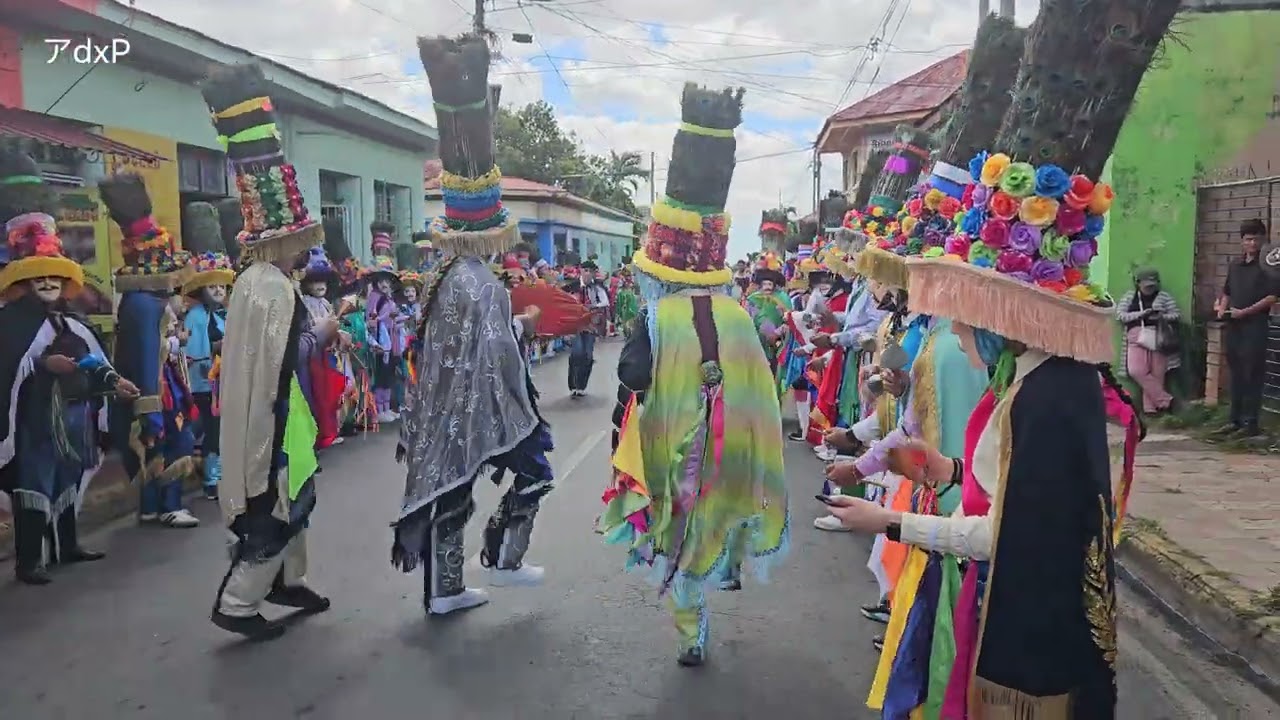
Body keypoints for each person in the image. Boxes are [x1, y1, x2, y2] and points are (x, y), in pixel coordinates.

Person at [827, 146, 1139, 717]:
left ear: (1003, 320)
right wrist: (944, 470)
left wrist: (890, 520)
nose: (957, 333)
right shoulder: (1043, 380)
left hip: (1016, 605)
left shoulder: (1041, 398)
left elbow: (1004, 532)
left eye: (966, 318)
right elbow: (1019, 490)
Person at [599, 83, 788, 667]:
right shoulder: (738, 313)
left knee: (677, 534)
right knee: (716, 514)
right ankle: (715, 574)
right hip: (730, 450)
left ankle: (691, 629)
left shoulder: (655, 317)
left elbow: (632, 380)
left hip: (674, 449)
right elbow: (763, 384)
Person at [394, 33, 554, 617]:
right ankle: (505, 560)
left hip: (447, 407)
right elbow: (495, 349)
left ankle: (445, 590)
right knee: (536, 469)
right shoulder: (479, 282)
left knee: (451, 493)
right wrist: (527, 324)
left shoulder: (447, 273)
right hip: (480, 407)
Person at [202, 63, 333, 640]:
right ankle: (238, 601)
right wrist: (324, 336)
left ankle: (284, 580)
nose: (304, 248)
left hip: (285, 415)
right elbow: (287, 354)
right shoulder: (270, 286)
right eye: (299, 239)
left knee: (296, 499)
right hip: (273, 420)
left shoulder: (261, 281)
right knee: (276, 510)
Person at [0, 153, 138, 584]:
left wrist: (115, 382)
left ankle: (67, 545)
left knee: (68, 478)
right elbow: (12, 368)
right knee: (34, 484)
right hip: (35, 424)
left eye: (54, 279)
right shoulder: (9, 323)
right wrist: (44, 364)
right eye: (39, 278)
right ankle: (29, 561)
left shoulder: (72, 322)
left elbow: (92, 359)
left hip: (73, 419)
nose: (47, 285)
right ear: (22, 280)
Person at [101, 173, 202, 530]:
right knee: (171, 437)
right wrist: (151, 407)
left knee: (157, 441)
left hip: (160, 381)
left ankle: (149, 505)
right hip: (156, 388)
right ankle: (170, 504)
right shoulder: (145, 304)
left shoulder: (145, 299)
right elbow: (147, 357)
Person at [1214, 218, 1277, 437]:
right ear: (1241, 241)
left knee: (1253, 373)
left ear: (1263, 240)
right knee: (1236, 373)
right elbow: (1227, 291)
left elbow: (1272, 297)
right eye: (1248, 239)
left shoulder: (1268, 267)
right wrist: (1221, 306)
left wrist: (1247, 311)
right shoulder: (1235, 265)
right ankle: (1234, 420)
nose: (1252, 244)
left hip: (1255, 326)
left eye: (1257, 239)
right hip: (1235, 326)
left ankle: (1251, 423)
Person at [182, 251, 234, 500]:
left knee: (218, 430)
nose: (217, 291)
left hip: (220, 383)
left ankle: (215, 474)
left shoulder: (221, 316)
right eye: (211, 287)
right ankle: (211, 479)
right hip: (202, 384)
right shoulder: (195, 317)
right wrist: (216, 349)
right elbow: (192, 354)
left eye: (221, 287)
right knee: (211, 430)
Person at [1116, 267, 1180, 415]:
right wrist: (1141, 315)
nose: (1149, 289)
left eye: (1152, 285)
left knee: (1157, 372)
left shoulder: (1164, 296)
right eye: (1146, 285)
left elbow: (1176, 314)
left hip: (1159, 337)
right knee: (1136, 370)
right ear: (1138, 283)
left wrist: (1162, 317)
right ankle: (1165, 400)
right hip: (1136, 337)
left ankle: (1151, 409)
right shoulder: (1130, 296)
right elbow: (1120, 315)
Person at [364, 225, 403, 423]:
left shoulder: (388, 298)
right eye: (381, 280)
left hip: (392, 340)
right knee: (381, 377)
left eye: (387, 280)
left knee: (389, 376)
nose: (385, 284)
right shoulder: (375, 298)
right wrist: (377, 328)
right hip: (381, 342)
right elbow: (370, 319)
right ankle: (379, 409)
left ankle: (387, 407)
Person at [568, 257, 610, 396]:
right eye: (585, 270)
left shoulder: (597, 287)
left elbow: (605, 302)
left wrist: (594, 306)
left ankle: (581, 386)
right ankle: (573, 384)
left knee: (588, 355)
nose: (588, 274)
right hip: (575, 323)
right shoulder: (572, 286)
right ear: (580, 271)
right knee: (577, 352)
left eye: (591, 271)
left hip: (591, 323)